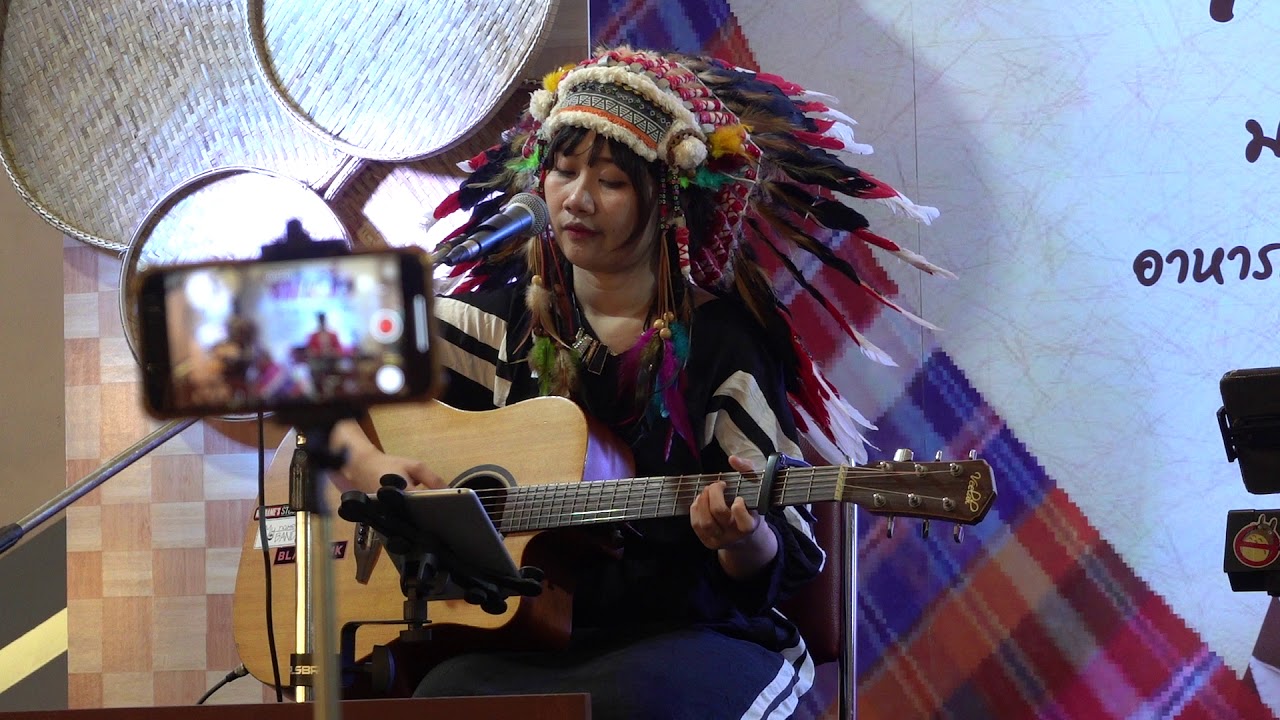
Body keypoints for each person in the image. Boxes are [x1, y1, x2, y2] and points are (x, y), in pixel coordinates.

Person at [330, 46, 949, 719]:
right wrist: (370, 466)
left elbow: (783, 552)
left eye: (612, 182)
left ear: (667, 200)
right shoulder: (501, 322)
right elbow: (308, 374)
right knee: (439, 702)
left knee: (640, 704)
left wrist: (740, 540)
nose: (577, 199)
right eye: (562, 172)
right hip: (529, 640)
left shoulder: (723, 349)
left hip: (691, 635)